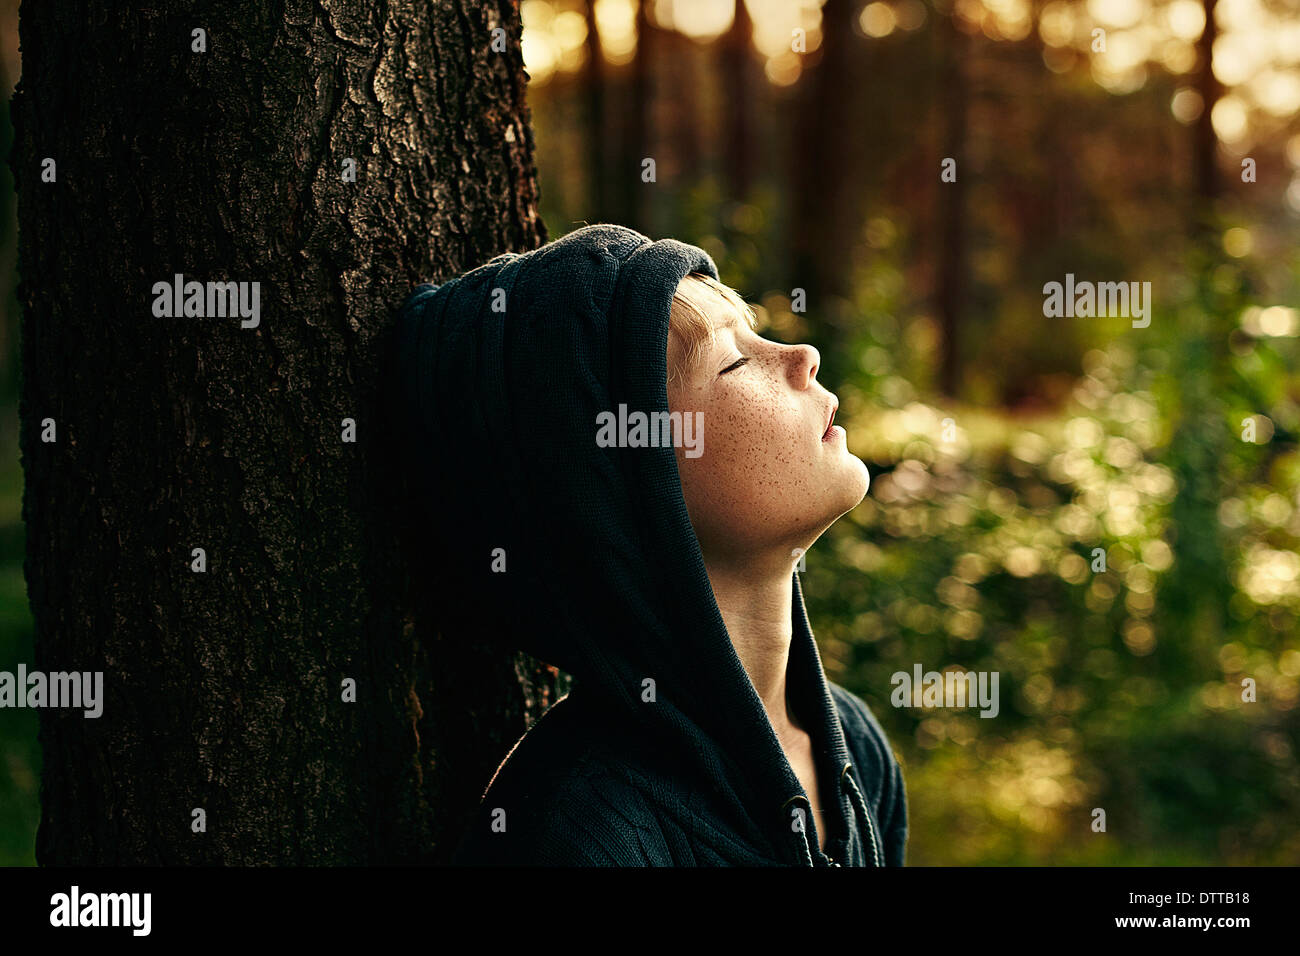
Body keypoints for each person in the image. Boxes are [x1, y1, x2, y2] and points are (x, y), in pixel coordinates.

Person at [391, 223, 907, 866]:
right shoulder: (583, 834)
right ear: (623, 489)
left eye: (756, 334)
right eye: (736, 360)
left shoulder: (857, 754)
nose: (803, 356)